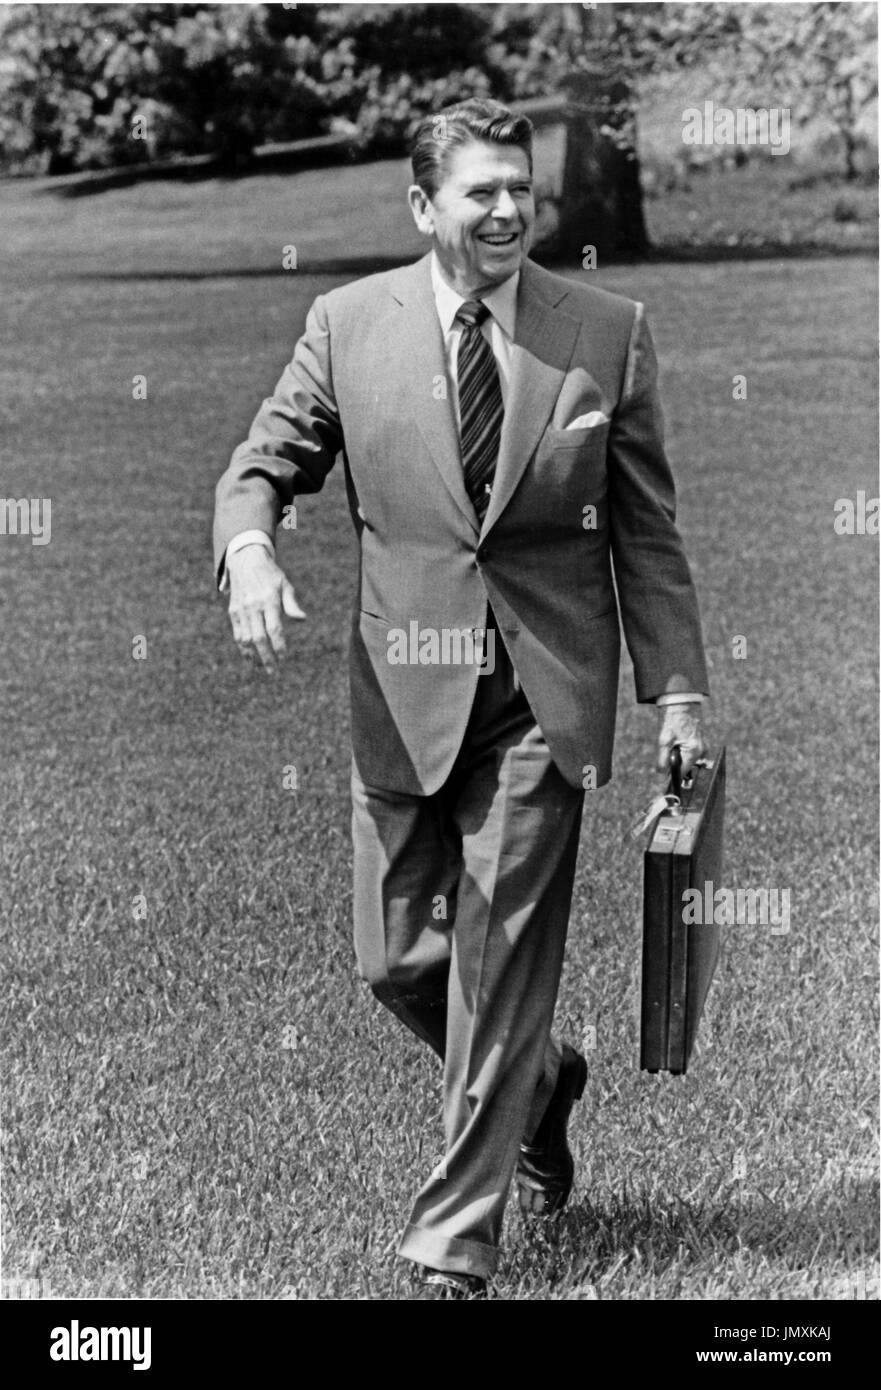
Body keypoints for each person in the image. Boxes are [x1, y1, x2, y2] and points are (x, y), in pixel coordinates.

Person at [213, 98, 708, 1299]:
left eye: (518, 191)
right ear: (421, 206)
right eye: (478, 192)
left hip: (546, 694)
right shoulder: (345, 324)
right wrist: (250, 549)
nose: (503, 212)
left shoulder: (606, 330)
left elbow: (644, 531)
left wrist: (679, 693)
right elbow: (264, 460)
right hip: (400, 686)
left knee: (496, 960)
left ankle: (451, 1246)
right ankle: (542, 1083)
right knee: (392, 959)